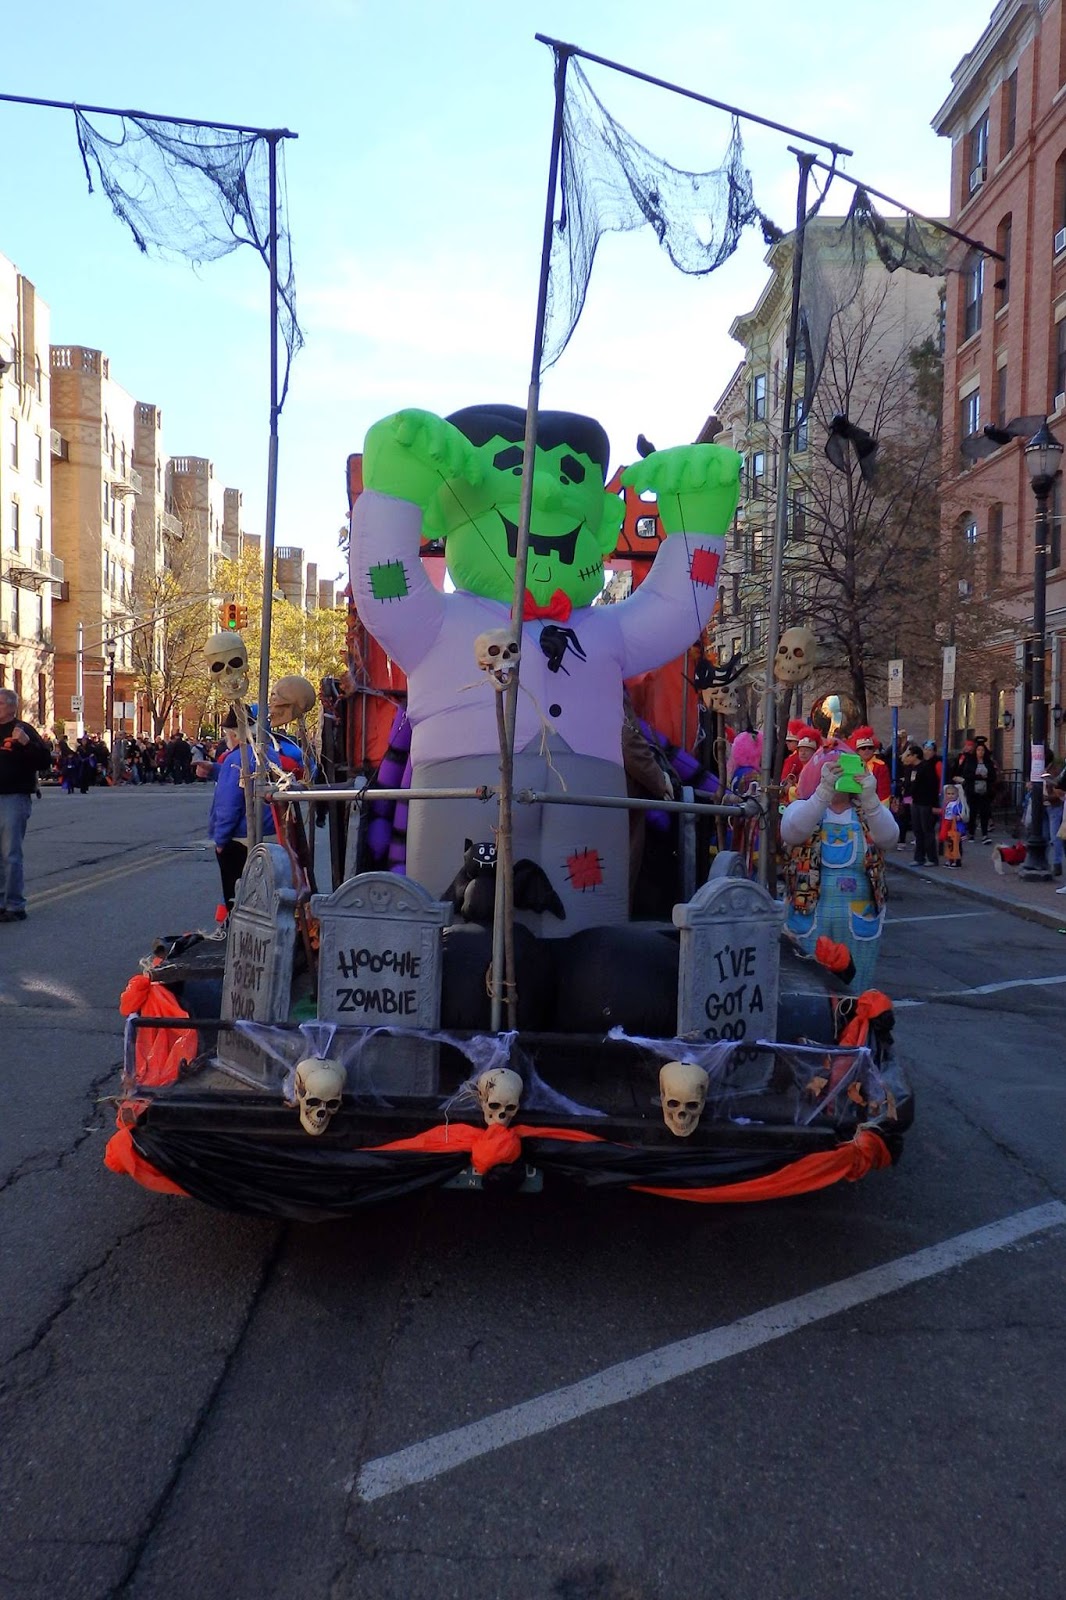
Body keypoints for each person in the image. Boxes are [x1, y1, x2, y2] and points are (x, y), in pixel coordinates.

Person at [780, 744, 899, 993]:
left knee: (855, 992)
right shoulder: (803, 808)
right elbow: (792, 832)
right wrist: (822, 792)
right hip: (810, 917)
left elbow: (889, 838)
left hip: (858, 919)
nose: (839, 776)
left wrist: (871, 798)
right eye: (832, 770)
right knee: (809, 990)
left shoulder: (869, 812)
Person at [199, 711, 277, 917]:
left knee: (238, 898)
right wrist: (216, 769)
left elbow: (229, 805)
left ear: (233, 734)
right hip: (271, 832)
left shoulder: (237, 758)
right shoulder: (267, 752)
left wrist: (220, 840)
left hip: (242, 838)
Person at [0, 687, 52, 922]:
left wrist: (26, 744)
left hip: (13, 797)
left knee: (10, 853)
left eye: (0, 703)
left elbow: (44, 761)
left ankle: (14, 904)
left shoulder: (23, 730)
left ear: (11, 706)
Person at [958, 737, 997, 843]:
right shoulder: (970, 761)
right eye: (979, 750)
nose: (981, 752)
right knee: (973, 812)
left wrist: (986, 778)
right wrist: (977, 776)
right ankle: (971, 833)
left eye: (982, 750)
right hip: (973, 790)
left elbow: (993, 776)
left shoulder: (988, 762)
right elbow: (966, 774)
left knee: (984, 812)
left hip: (985, 791)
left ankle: (985, 834)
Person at [911, 741, 942, 866]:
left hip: (927, 803)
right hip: (917, 802)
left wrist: (935, 804)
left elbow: (935, 787)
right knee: (918, 831)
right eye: (926, 749)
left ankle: (932, 858)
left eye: (930, 750)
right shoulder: (918, 766)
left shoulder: (934, 765)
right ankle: (919, 857)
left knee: (927, 830)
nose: (927, 752)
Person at [939, 782, 967, 867]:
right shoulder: (946, 804)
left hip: (956, 827)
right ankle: (950, 859)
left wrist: (959, 817)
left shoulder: (958, 804)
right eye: (948, 794)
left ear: (957, 794)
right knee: (949, 843)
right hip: (948, 826)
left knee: (956, 845)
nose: (950, 796)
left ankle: (957, 861)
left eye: (952, 794)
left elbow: (962, 814)